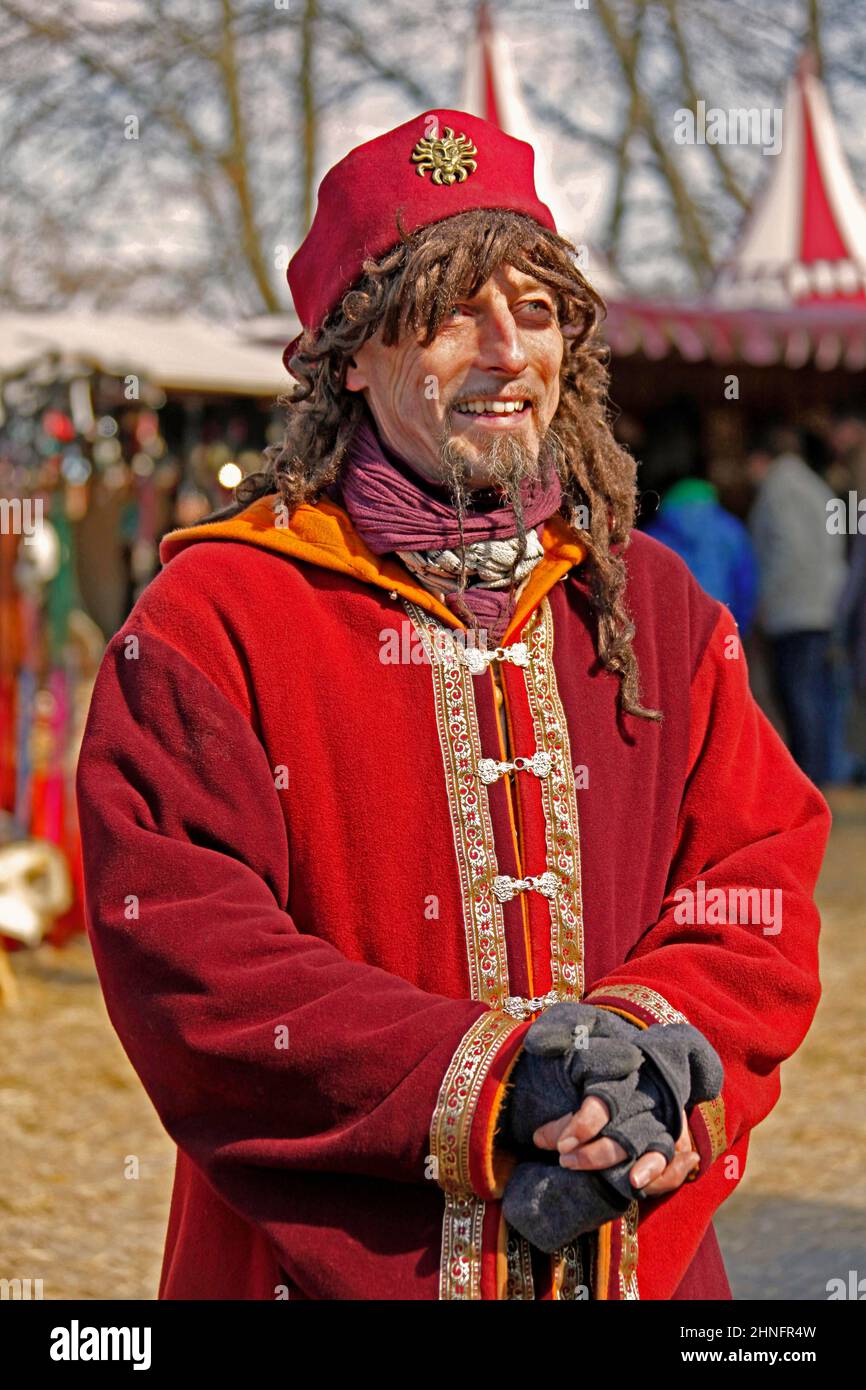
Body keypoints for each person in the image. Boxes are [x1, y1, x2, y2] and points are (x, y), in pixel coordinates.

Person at [76, 110, 829, 1301]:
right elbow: (187, 948)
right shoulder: (210, 618)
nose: (503, 349)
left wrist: (646, 1058)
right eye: (446, 311)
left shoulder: (653, 605)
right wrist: (489, 1077)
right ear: (347, 357)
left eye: (534, 311)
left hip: (625, 1258)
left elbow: (755, 875)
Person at [748, 426, 849, 785]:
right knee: (818, 698)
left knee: (798, 696)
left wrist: (765, 602)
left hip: (795, 610)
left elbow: (788, 552)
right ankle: (823, 774)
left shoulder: (780, 489)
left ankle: (810, 779)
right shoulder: (814, 486)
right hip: (822, 607)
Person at [645, 468, 759, 635]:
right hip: (722, 622)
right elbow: (745, 582)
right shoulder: (730, 530)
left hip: (673, 627)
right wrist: (739, 625)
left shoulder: (654, 535)